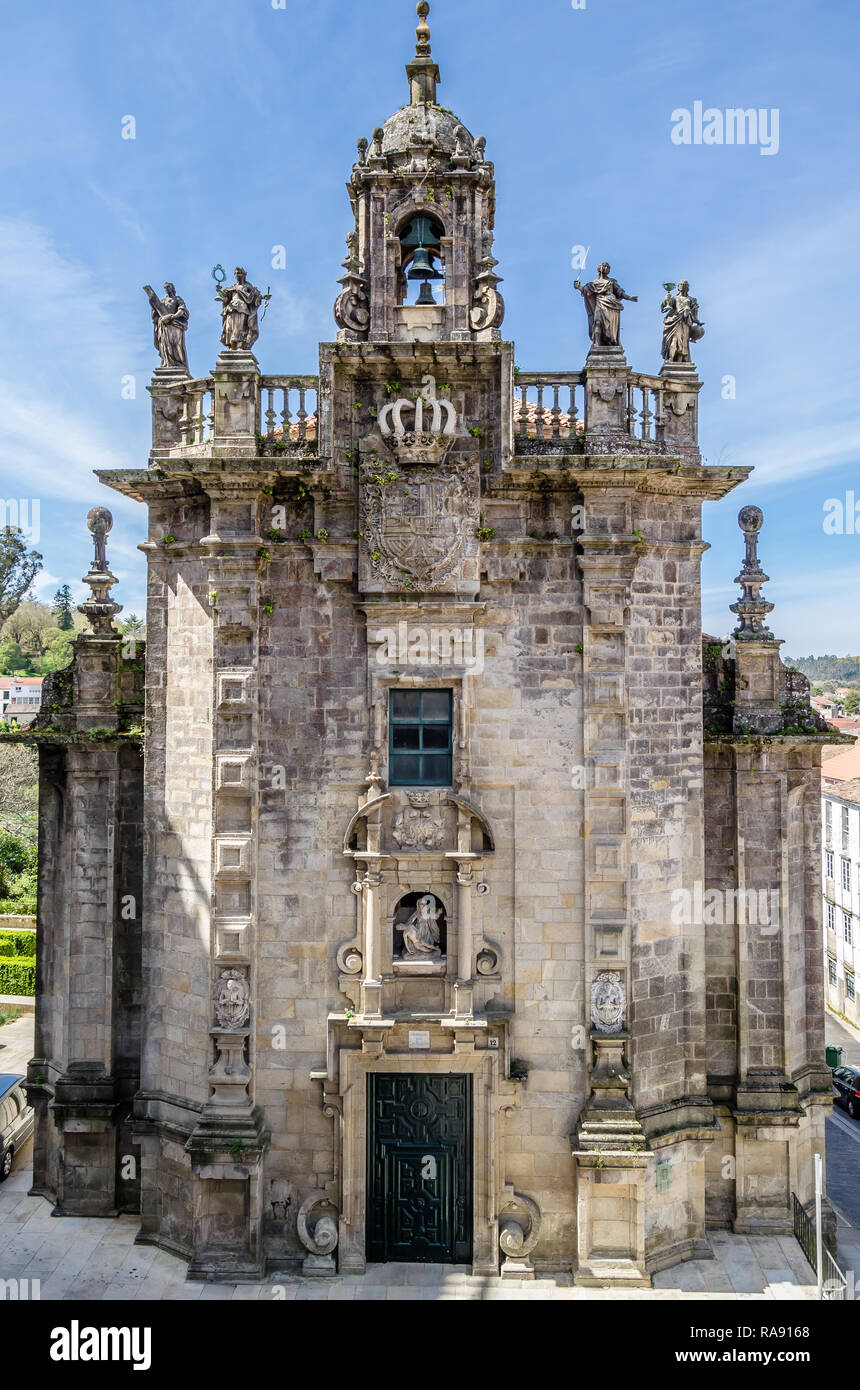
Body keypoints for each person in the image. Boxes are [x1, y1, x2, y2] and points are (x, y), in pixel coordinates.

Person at [574, 262, 637, 348]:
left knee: (610, 328)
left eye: (607, 267)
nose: (605, 268)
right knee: (597, 322)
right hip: (600, 303)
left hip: (612, 305)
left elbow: (619, 292)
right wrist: (578, 287)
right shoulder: (593, 284)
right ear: (599, 268)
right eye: (603, 266)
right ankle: (597, 343)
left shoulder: (611, 282)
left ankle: (609, 341)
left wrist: (629, 298)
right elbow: (586, 291)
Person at [143, 282, 189, 371]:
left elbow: (182, 310)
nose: (166, 289)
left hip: (175, 325)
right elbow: (156, 312)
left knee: (176, 344)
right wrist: (152, 302)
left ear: (172, 288)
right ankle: (168, 363)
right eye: (165, 288)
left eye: (168, 287)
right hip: (164, 326)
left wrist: (172, 316)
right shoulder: (163, 301)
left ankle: (179, 363)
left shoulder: (177, 299)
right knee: (165, 345)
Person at [218, 267, 266, 351]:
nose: (237, 275)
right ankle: (232, 347)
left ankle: (240, 346)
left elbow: (254, 298)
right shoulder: (232, 288)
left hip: (242, 309)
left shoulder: (248, 287)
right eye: (236, 273)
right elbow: (225, 299)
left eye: (239, 273)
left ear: (244, 275)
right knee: (230, 328)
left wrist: (261, 298)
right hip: (231, 309)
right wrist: (220, 292)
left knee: (239, 328)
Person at [661, 280, 705, 362]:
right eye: (681, 285)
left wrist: (697, 321)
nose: (683, 286)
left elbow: (695, 312)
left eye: (685, 285)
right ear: (678, 287)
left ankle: (679, 359)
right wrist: (666, 300)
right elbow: (665, 309)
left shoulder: (691, 299)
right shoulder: (674, 298)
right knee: (674, 339)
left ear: (688, 288)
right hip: (674, 322)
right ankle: (670, 358)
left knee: (683, 343)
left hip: (685, 322)